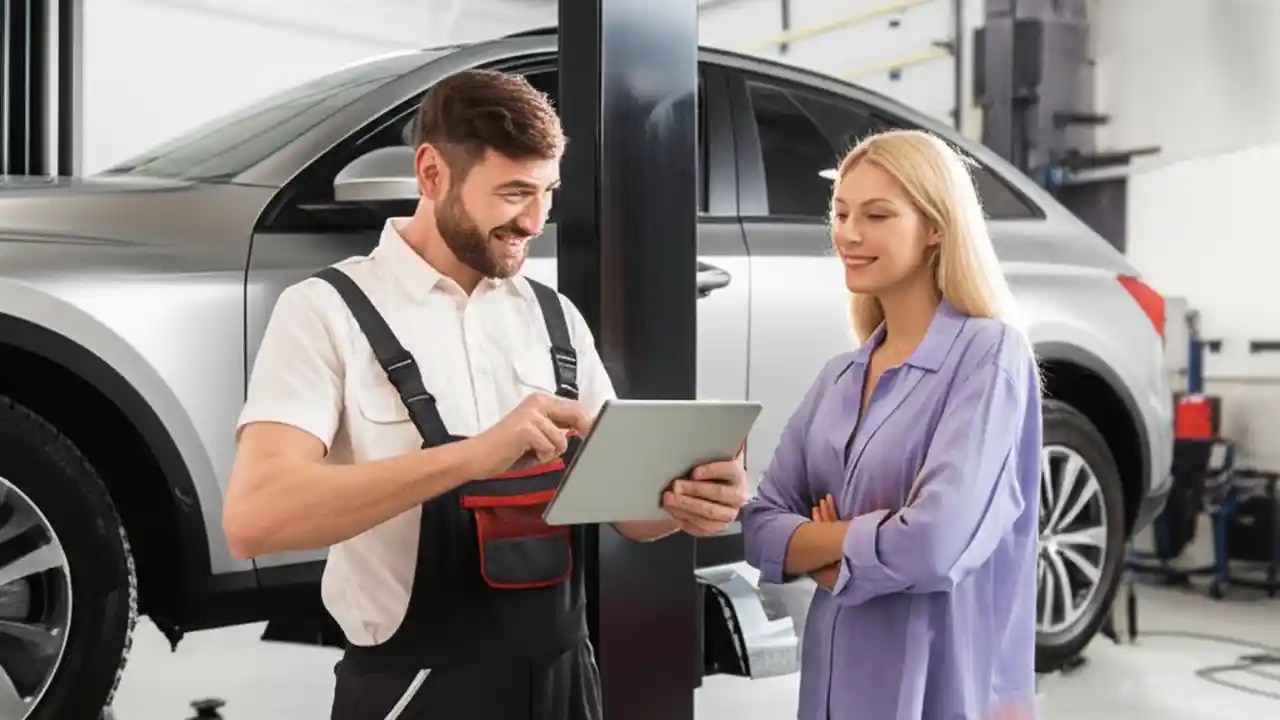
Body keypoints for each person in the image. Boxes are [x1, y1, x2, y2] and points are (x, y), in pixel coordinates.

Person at [222, 68, 748, 720]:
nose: (534, 220)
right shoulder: (325, 312)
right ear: (431, 173)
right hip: (413, 693)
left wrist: (692, 504)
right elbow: (257, 519)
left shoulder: (556, 320)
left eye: (547, 192)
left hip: (563, 688)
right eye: (513, 193)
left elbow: (632, 515)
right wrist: (475, 457)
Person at [740, 128, 1042, 720]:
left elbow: (934, 544)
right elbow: (759, 529)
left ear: (936, 228)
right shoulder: (838, 376)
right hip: (831, 685)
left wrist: (825, 548)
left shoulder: (989, 355)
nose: (848, 234)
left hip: (940, 684)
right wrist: (874, 538)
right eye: (841, 213)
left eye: (876, 215)